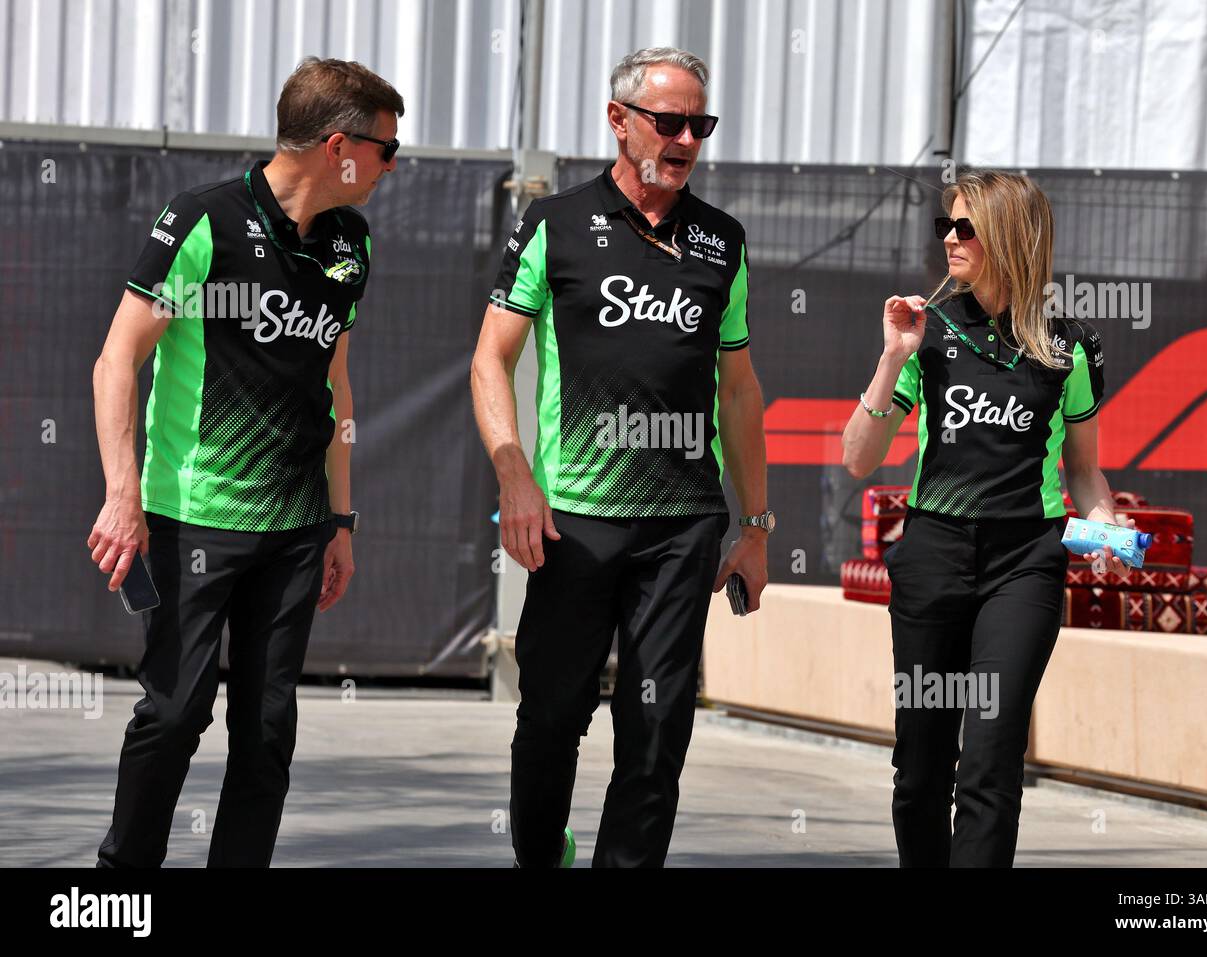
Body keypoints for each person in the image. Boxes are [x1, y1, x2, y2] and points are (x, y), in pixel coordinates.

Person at [87, 57, 403, 867]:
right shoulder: (203, 220)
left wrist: (341, 518)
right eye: (386, 149)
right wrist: (123, 495)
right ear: (339, 146)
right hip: (190, 515)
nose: (391, 166)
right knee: (174, 714)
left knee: (266, 731)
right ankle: (120, 889)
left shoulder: (351, 243)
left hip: (297, 528)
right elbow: (117, 361)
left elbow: (336, 384)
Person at [470, 47, 770, 867]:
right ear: (618, 119)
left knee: (659, 721)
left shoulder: (722, 241)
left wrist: (756, 525)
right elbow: (490, 359)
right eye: (666, 122)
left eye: (697, 126)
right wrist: (516, 479)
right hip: (573, 519)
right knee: (551, 715)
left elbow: (740, 392)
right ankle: (542, 853)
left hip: (682, 526)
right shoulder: (553, 224)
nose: (683, 140)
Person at [841, 169, 1134, 867]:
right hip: (933, 555)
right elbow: (858, 458)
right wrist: (891, 358)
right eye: (948, 224)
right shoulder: (928, 332)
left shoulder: (1069, 347)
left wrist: (1110, 528)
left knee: (991, 762)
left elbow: (1084, 470)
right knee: (920, 774)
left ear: (1008, 234)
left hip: (1023, 565)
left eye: (966, 226)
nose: (950, 237)